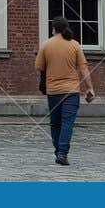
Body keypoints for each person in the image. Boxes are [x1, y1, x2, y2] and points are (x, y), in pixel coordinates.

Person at [34, 17, 96, 165]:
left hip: (53, 91)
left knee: (55, 123)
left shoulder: (46, 45)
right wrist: (90, 87)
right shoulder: (75, 45)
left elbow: (39, 67)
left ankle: (58, 151)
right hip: (71, 91)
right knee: (67, 122)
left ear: (53, 29)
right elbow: (83, 68)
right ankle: (62, 152)